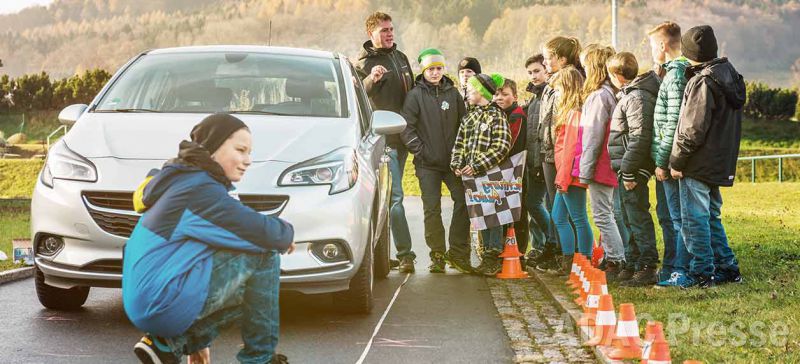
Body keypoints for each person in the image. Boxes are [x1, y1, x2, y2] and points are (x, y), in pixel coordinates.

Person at [123, 114, 295, 364]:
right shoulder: (200, 190)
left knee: (256, 292)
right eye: (240, 150)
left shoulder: (183, 181)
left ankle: (170, 344)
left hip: (148, 299)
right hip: (161, 300)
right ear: (213, 148)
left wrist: (199, 343)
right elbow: (254, 228)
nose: (248, 160)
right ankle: (261, 359)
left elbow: (231, 237)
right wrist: (285, 235)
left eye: (250, 153)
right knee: (265, 255)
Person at [670, 25, 744, 288]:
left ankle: (702, 272)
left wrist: (677, 161)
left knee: (695, 219)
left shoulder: (703, 81)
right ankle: (727, 267)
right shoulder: (729, 76)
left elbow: (692, 129)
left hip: (698, 162)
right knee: (711, 216)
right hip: (719, 161)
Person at [354, 11, 417, 273]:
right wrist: (372, 79)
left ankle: (383, 256)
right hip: (384, 140)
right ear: (371, 34)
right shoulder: (364, 64)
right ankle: (405, 255)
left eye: (391, 29)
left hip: (403, 139)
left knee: (388, 198)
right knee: (394, 198)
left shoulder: (400, 58)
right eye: (384, 30)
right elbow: (361, 92)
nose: (390, 34)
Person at [400, 48, 472, 274]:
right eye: (431, 69)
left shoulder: (453, 94)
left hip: (454, 164)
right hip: (427, 164)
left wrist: (461, 154)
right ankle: (437, 254)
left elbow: (465, 124)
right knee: (432, 210)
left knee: (463, 202)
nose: (435, 73)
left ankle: (458, 252)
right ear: (424, 70)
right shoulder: (415, 96)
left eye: (439, 68)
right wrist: (421, 151)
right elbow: (407, 128)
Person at [606, 52, 661, 286]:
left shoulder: (637, 97)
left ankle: (647, 265)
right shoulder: (628, 96)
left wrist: (629, 170)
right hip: (624, 168)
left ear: (617, 75)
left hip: (633, 170)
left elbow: (639, 137)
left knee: (637, 216)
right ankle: (632, 261)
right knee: (625, 216)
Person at [451, 73, 512, 276]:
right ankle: (485, 251)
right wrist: (457, 164)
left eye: (469, 89)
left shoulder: (497, 116)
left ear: (480, 92)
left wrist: (477, 164)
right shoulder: (470, 116)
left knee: (493, 214)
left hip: (492, 176)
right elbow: (460, 143)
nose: (466, 92)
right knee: (481, 214)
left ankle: (493, 255)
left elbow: (502, 146)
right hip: (472, 178)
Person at [647, 21, 692, 287]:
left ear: (663, 45)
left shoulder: (676, 76)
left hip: (670, 158)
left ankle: (680, 270)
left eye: (654, 45)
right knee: (669, 216)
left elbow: (672, 123)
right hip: (668, 158)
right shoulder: (672, 72)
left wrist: (662, 161)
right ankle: (671, 266)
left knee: (678, 219)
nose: (653, 51)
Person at [575, 45, 626, 280]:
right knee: (608, 212)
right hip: (608, 162)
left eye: (585, 66)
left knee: (602, 214)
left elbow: (592, 137)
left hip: (601, 165)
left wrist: (584, 172)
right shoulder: (609, 93)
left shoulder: (598, 97)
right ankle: (612, 255)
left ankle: (616, 259)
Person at [537, 36, 583, 272]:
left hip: (561, 157)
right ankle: (563, 253)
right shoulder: (552, 83)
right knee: (557, 210)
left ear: (562, 59)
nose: (545, 63)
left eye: (548, 58)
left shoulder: (568, 82)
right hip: (550, 152)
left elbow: (562, 129)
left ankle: (577, 258)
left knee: (571, 213)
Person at [551, 66, 594, 275]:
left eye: (558, 90)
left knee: (578, 217)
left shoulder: (575, 113)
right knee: (558, 216)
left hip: (571, 174)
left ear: (567, 88)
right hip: (566, 173)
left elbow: (570, 148)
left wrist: (563, 177)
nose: (556, 95)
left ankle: (584, 261)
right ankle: (569, 260)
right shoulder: (569, 112)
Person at [521, 54, 555, 269]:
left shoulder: (549, 95)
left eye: (536, 71)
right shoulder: (534, 98)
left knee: (536, 203)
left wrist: (540, 162)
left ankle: (552, 242)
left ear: (546, 70)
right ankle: (547, 244)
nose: (533, 76)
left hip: (545, 160)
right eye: (530, 73)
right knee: (534, 203)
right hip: (534, 161)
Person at [493, 78, 530, 257]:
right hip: (502, 171)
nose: (499, 98)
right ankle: (502, 248)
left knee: (517, 212)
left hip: (516, 171)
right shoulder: (497, 114)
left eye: (505, 94)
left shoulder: (517, 115)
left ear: (514, 97)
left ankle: (519, 251)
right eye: (497, 94)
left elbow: (511, 144)